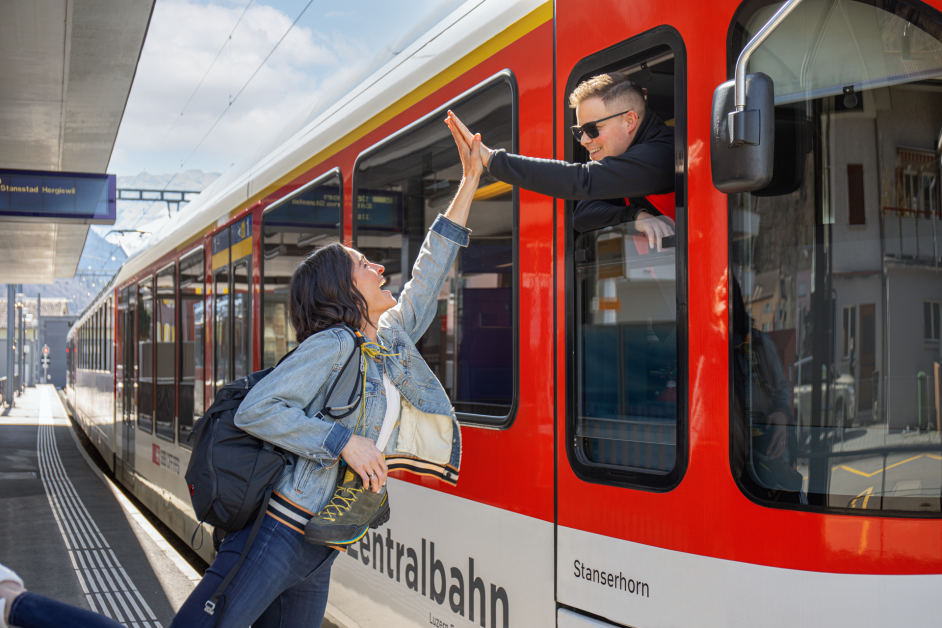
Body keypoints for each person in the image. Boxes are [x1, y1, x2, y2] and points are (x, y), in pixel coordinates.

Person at [0, 122, 485, 628]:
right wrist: (344, 441)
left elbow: (429, 274)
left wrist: (470, 181)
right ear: (345, 289)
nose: (381, 270)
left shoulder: (386, 344)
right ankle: (17, 604)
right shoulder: (334, 344)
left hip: (320, 546)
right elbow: (259, 409)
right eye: (366, 265)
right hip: (279, 535)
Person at [448, 71, 675, 249]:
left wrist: (492, 159)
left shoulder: (661, 154)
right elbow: (583, 215)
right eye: (579, 131)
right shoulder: (624, 158)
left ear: (629, 121)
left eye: (593, 129)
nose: (584, 140)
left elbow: (581, 180)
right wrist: (634, 215)